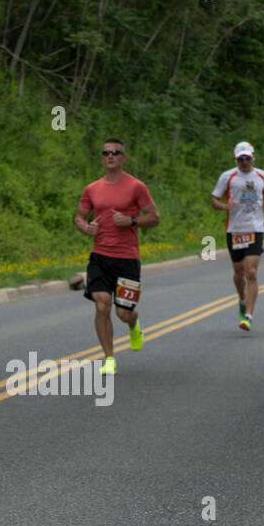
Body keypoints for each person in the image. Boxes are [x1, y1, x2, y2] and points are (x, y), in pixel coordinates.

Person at [75, 139, 161, 375]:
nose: (110, 156)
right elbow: (79, 217)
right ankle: (109, 358)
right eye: (106, 153)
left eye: (116, 152)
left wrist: (132, 220)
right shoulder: (92, 188)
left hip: (127, 258)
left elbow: (155, 217)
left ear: (124, 157)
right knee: (102, 306)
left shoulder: (136, 187)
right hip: (100, 256)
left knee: (123, 312)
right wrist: (86, 228)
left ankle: (134, 325)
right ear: (102, 158)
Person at [210, 141, 264, 331]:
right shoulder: (227, 177)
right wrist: (223, 206)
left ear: (253, 157)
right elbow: (214, 200)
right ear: (235, 159)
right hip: (235, 230)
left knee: (251, 272)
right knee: (238, 273)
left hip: (255, 228)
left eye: (247, 158)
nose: (244, 162)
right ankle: (242, 299)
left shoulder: (262, 174)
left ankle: (248, 316)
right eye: (240, 158)